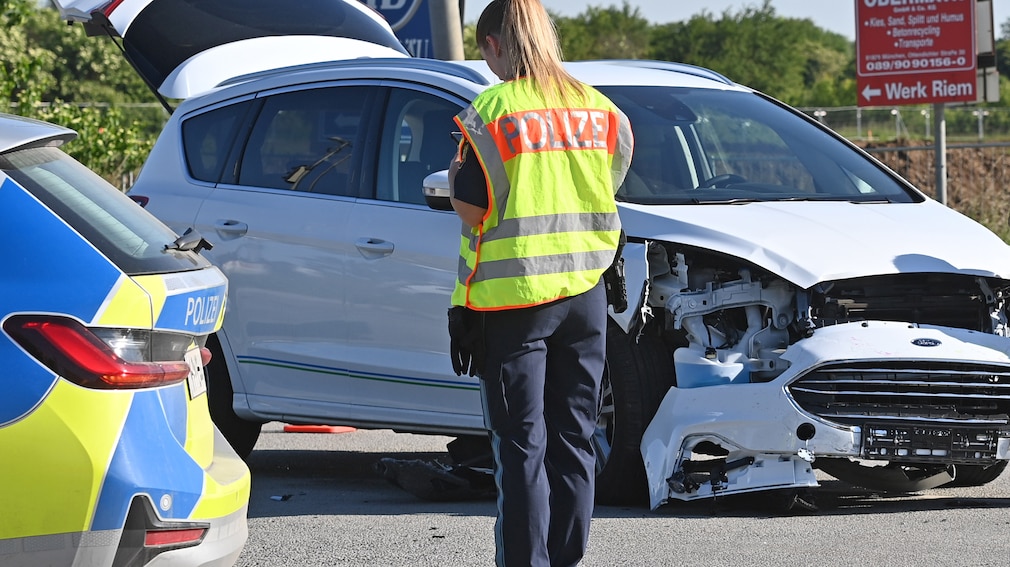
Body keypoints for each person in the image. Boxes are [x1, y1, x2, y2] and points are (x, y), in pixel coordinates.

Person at [446, 1, 634, 565]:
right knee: (575, 439)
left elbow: (470, 206)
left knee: (521, 447)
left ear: (493, 45)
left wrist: (453, 175)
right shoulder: (600, 109)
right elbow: (608, 185)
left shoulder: (491, 111)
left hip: (516, 300)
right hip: (586, 295)